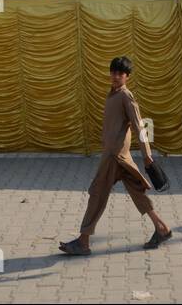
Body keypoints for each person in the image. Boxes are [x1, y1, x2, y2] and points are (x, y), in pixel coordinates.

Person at [59, 56, 172, 255]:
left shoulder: (126, 96)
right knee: (137, 192)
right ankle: (162, 228)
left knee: (97, 194)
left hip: (114, 156)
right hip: (117, 156)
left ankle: (83, 242)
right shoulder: (113, 94)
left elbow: (140, 125)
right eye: (113, 72)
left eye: (120, 74)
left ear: (127, 76)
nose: (115, 76)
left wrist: (147, 155)